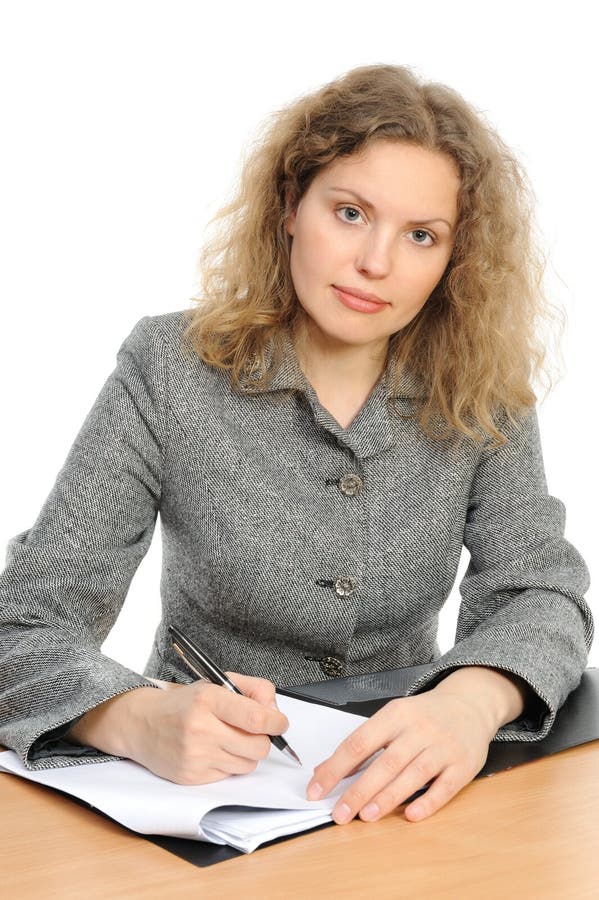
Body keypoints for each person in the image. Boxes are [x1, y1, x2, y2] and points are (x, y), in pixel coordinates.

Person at [0, 63, 593, 827]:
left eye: (420, 235)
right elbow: (25, 622)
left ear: (453, 261)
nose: (376, 262)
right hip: (196, 795)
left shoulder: (481, 387)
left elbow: (541, 593)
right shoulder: (168, 368)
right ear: (289, 204)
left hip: (403, 797)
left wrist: (470, 702)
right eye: (349, 213)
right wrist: (130, 717)